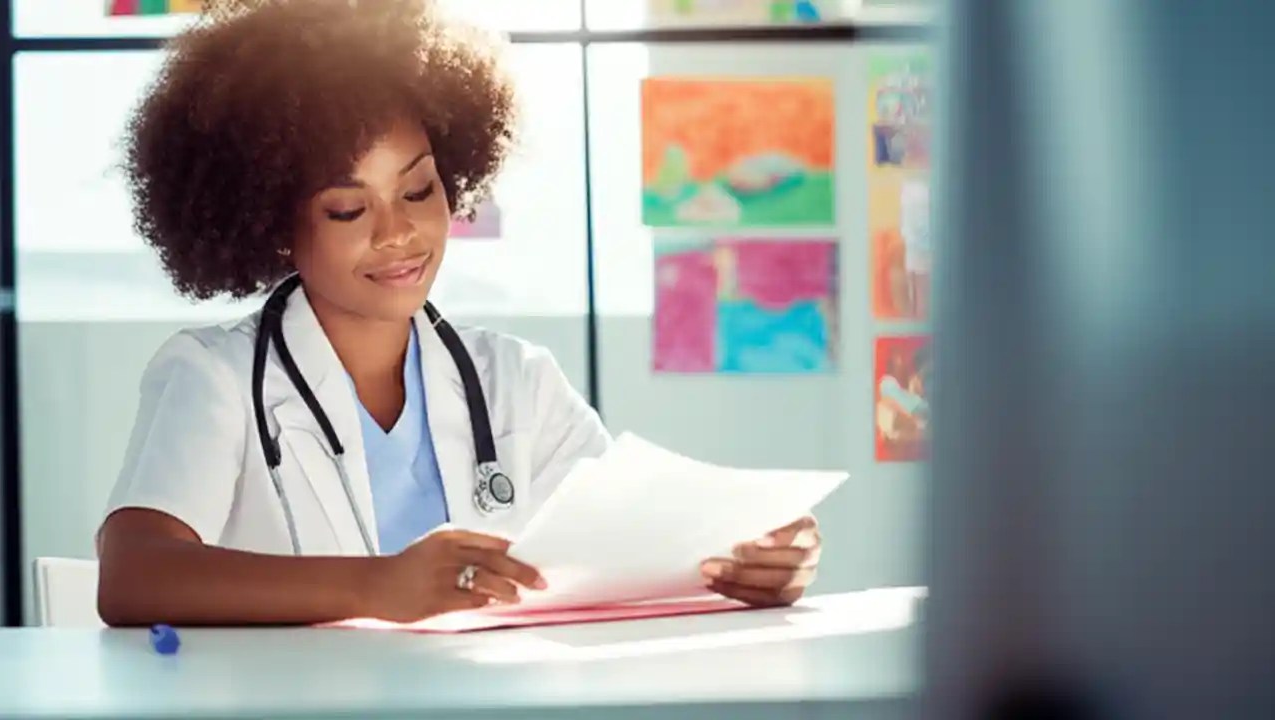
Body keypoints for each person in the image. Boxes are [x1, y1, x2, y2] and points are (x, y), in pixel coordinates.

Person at [95, 0, 822, 627]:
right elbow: (133, 576)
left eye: (418, 191)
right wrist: (380, 587)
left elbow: (625, 544)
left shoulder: (518, 382)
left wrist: (741, 563)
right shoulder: (214, 375)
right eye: (349, 208)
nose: (397, 233)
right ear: (274, 224)